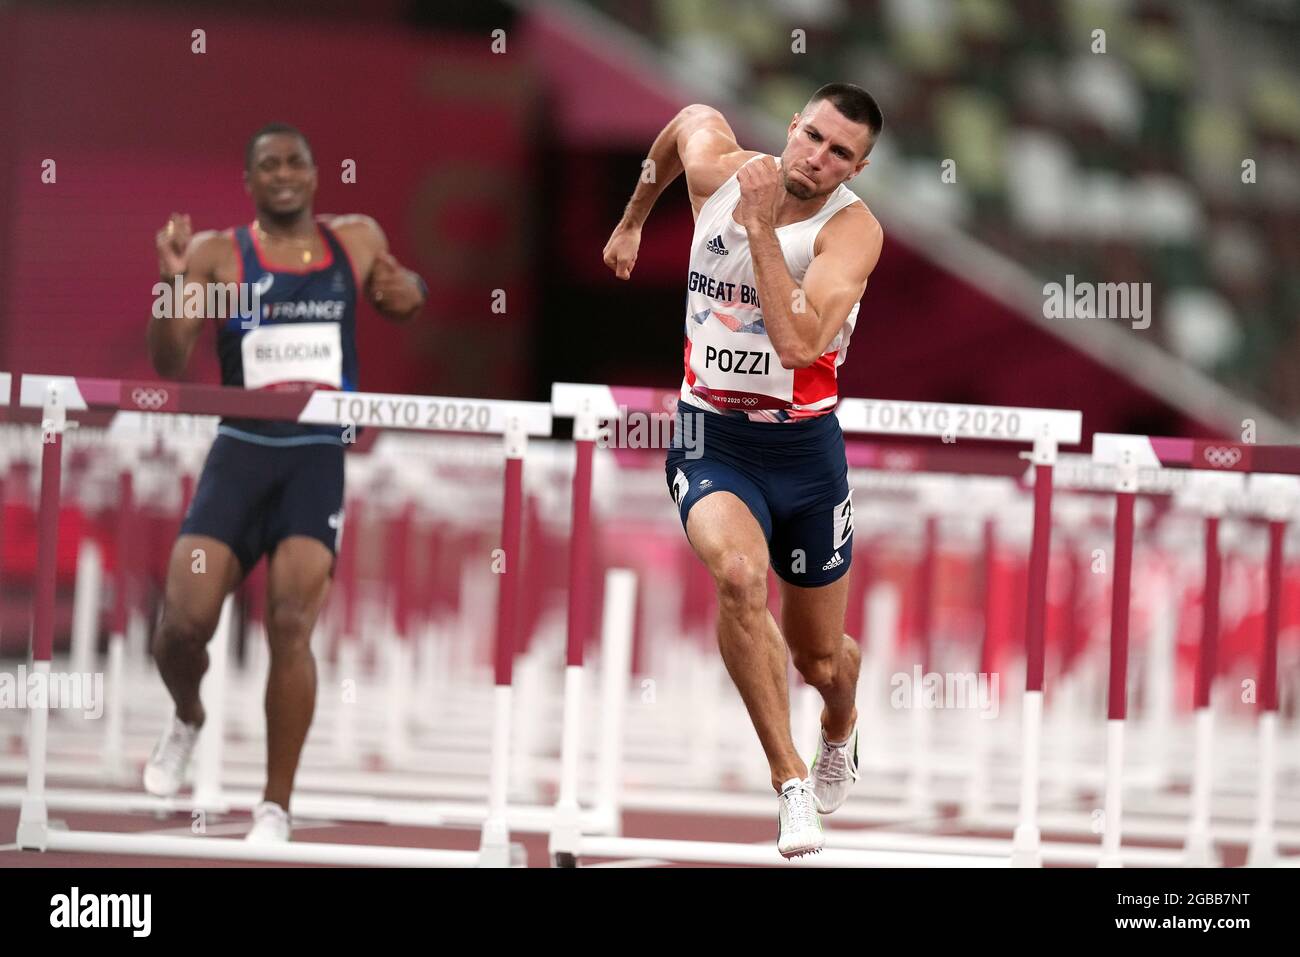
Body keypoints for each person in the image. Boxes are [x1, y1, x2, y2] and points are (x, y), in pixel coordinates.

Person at [602, 84, 884, 858]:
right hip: (711, 433)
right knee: (736, 574)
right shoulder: (720, 169)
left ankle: (839, 723)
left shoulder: (852, 233)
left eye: (840, 154)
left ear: (858, 167)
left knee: (820, 659)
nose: (817, 158)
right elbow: (685, 123)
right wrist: (633, 217)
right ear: (792, 126)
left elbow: (798, 346)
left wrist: (758, 227)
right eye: (813, 137)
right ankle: (790, 782)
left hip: (805, 451)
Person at [144, 122, 426, 842]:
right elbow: (169, 359)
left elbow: (403, 297)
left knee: (292, 624)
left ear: (314, 172)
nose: (282, 173)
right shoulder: (218, 255)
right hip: (239, 454)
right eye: (266, 164)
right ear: (249, 182)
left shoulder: (354, 241)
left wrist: (410, 286)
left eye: (294, 160)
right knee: (182, 624)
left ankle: (275, 804)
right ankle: (188, 715)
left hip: (314, 459)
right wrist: (174, 283)